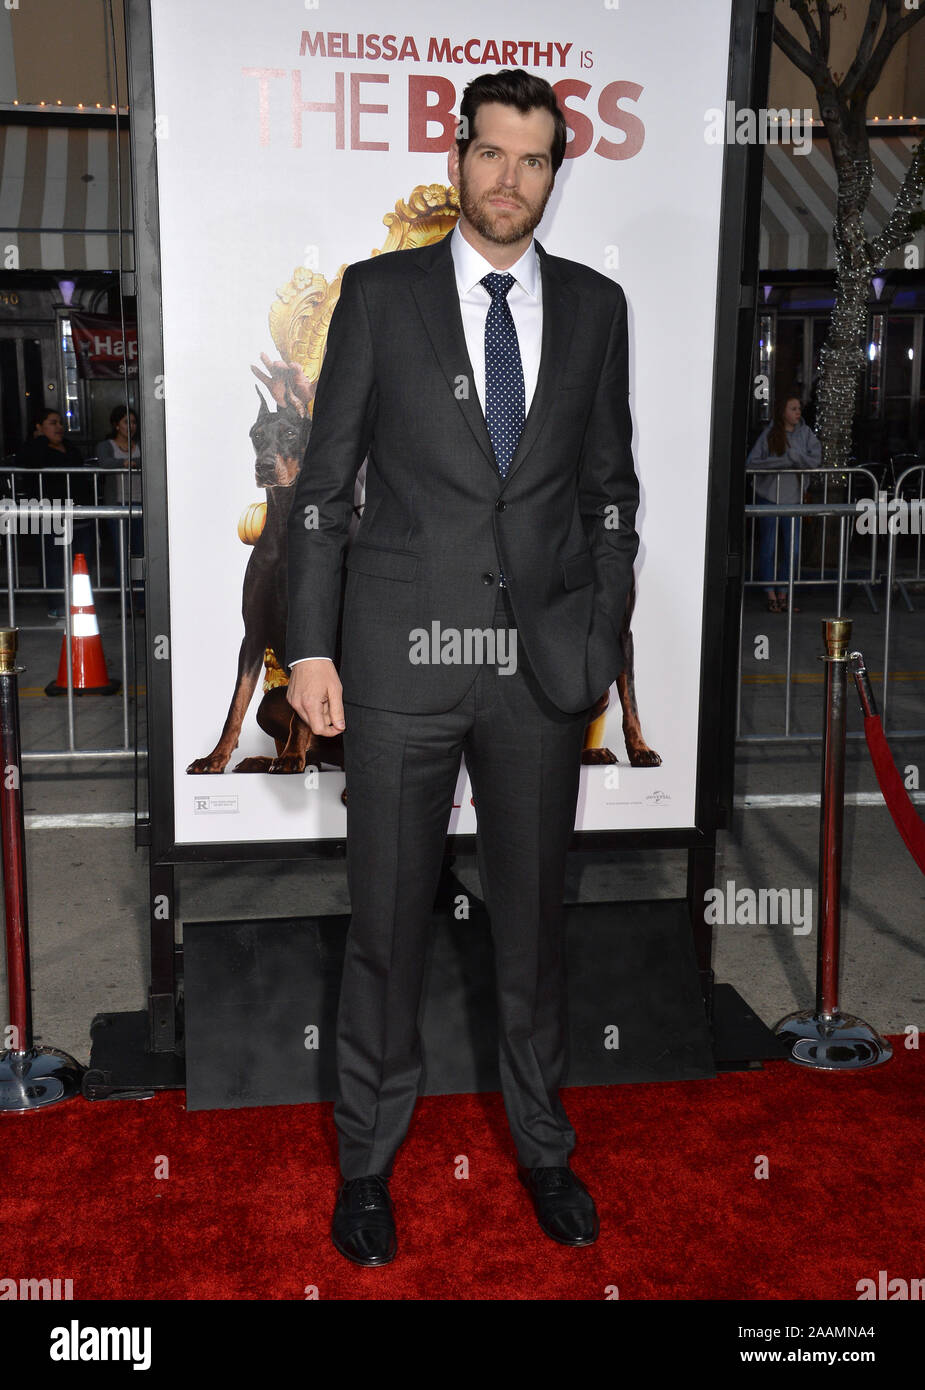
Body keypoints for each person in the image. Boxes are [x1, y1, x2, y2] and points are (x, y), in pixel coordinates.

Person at [285, 69, 640, 1266]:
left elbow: (610, 496)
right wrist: (314, 644)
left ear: (553, 173)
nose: (511, 180)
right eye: (493, 154)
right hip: (397, 663)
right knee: (386, 924)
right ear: (457, 158)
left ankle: (544, 1146)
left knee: (534, 930)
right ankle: (368, 1166)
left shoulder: (596, 307)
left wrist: (599, 635)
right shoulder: (381, 298)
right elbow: (324, 493)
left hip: (539, 669)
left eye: (535, 161)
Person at [746, 394, 821, 612]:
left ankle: (784, 593)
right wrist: (782, 461)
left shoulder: (806, 434)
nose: (798, 412)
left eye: (799, 408)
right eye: (793, 408)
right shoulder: (770, 434)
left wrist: (797, 459)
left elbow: (815, 460)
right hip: (769, 497)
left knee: (793, 549)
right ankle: (770, 593)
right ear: (783, 412)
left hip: (793, 499)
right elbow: (752, 463)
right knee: (768, 548)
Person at [15, 407, 91, 619]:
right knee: (54, 561)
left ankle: (80, 602)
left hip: (77, 513)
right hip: (52, 515)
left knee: (81, 559)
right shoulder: (34, 448)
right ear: (39, 427)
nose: (59, 427)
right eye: (52, 423)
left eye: (60, 422)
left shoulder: (69, 446)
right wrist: (39, 440)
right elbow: (29, 462)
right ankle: (56, 603)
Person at [96, 405, 144, 614]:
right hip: (117, 506)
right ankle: (126, 605)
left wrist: (130, 462)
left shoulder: (141, 445)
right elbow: (104, 462)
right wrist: (126, 462)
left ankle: (142, 603)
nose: (131, 426)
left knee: (140, 555)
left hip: (142, 505)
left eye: (133, 422)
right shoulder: (107, 445)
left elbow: (152, 460)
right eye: (126, 422)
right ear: (116, 424)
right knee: (121, 555)